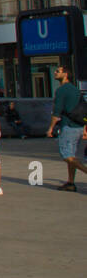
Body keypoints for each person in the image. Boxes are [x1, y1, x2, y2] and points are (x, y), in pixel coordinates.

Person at [47, 63, 87, 191]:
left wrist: (50, 128)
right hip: (79, 125)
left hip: (68, 126)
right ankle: (70, 182)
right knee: (72, 155)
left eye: (58, 71)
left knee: (67, 156)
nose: (55, 73)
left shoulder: (61, 90)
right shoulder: (75, 89)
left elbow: (57, 112)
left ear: (65, 74)